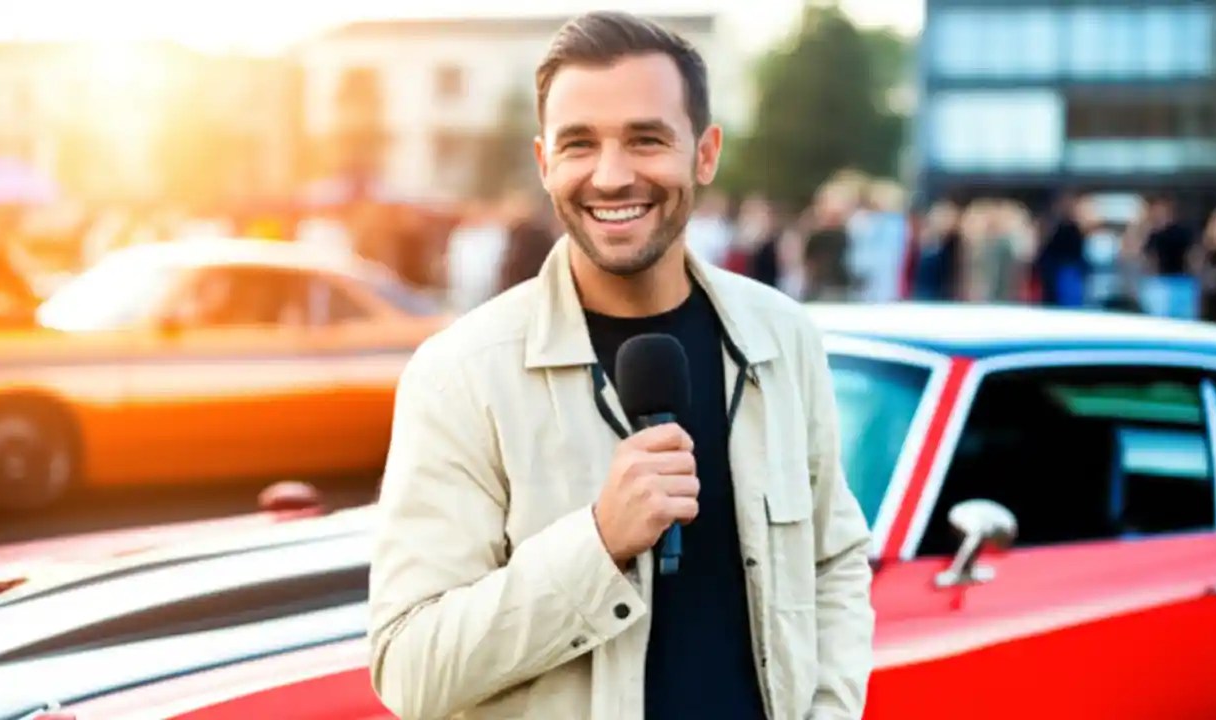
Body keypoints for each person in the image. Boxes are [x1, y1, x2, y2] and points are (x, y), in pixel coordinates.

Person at [368, 11, 875, 720]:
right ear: (545, 163)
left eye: (646, 139)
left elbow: (834, 566)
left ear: (705, 154)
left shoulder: (782, 339)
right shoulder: (459, 375)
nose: (611, 176)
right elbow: (410, 668)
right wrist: (597, 542)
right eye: (580, 145)